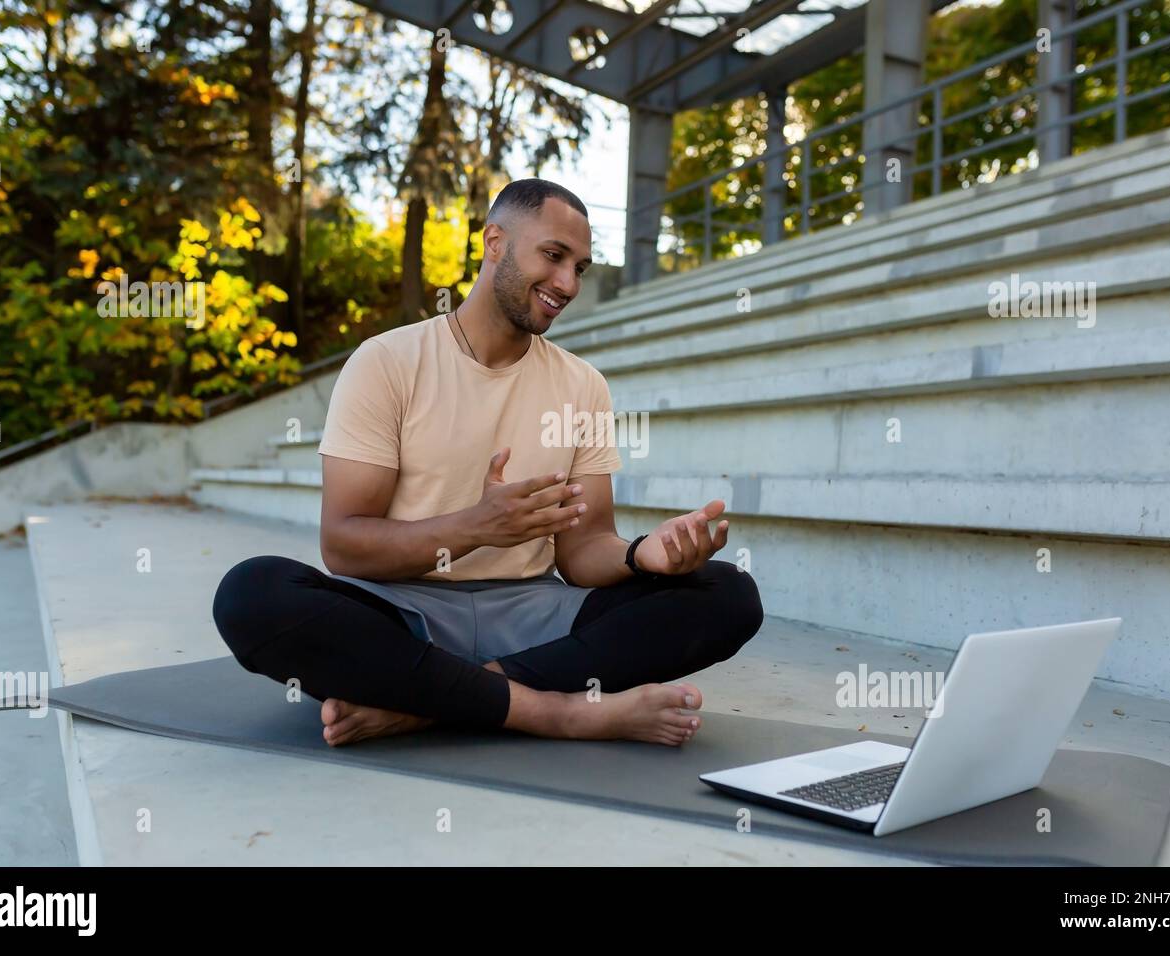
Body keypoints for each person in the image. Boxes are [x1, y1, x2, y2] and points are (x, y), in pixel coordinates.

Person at [212, 178, 763, 748]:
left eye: (579, 268)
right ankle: (558, 713)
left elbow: (582, 553)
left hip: (532, 614)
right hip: (401, 611)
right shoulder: (386, 362)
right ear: (494, 242)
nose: (568, 283)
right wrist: (475, 527)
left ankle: (423, 704)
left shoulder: (584, 384)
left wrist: (641, 554)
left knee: (728, 594)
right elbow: (345, 546)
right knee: (252, 594)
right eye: (553, 256)